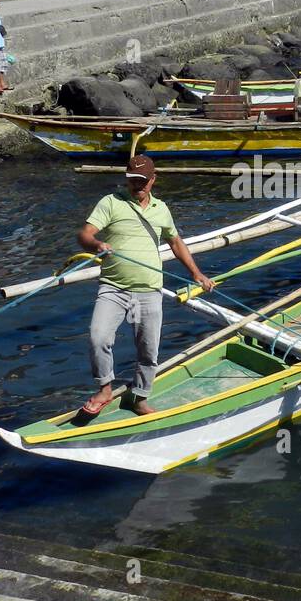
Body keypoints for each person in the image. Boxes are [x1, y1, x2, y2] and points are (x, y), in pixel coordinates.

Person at [77, 155, 215, 417]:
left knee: (148, 349)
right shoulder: (111, 202)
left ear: (153, 179)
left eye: (143, 181)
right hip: (113, 288)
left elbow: (175, 242)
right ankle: (105, 389)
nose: (138, 186)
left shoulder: (161, 209)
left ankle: (139, 398)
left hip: (149, 290)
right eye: (133, 181)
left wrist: (196, 273)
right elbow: (84, 234)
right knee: (98, 337)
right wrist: (96, 245)